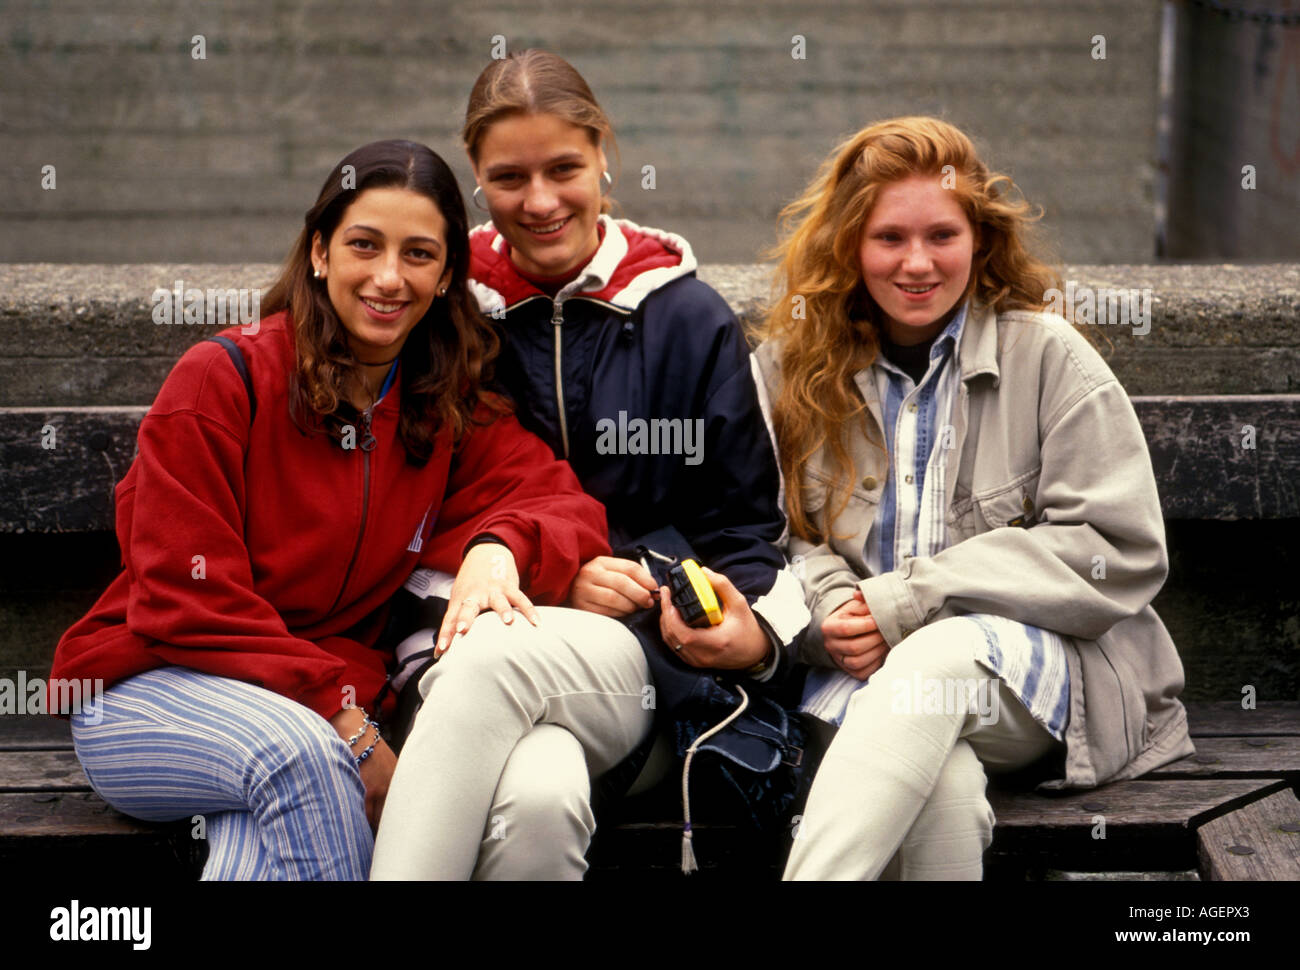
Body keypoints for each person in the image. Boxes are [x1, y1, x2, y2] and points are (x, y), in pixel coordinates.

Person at [47, 139, 608, 880]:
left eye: (417, 255)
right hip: (149, 692)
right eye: (364, 246)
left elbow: (562, 502)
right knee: (308, 760)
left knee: (258, 850)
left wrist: (498, 546)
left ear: (445, 278)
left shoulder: (438, 408)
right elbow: (184, 600)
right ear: (319, 253)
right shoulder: (225, 378)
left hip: (304, 715)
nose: (387, 277)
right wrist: (347, 722)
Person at [371, 50, 811, 880]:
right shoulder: (444, 315)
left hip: (639, 666)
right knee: (540, 802)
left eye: (564, 168)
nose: (539, 202)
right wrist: (551, 571)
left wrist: (711, 609)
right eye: (508, 178)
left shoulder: (688, 318)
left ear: (605, 153)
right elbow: (403, 512)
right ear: (475, 176)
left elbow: (750, 531)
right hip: (461, 638)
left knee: (496, 664)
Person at [753, 116, 1194, 880]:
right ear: (850, 245)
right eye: (889, 237)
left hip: (1042, 684)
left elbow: (1114, 551)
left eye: (942, 236)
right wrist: (834, 613)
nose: (917, 263)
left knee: (936, 655)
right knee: (945, 788)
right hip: (857, 681)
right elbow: (774, 534)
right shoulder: (787, 370)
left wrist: (914, 598)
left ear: (980, 241)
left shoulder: (1047, 356)